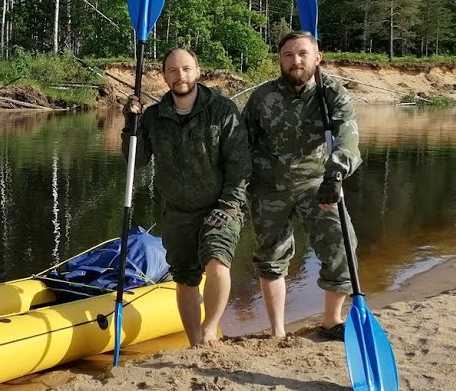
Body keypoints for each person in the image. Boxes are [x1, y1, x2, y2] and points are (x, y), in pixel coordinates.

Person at [122, 47, 251, 348]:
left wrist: (230, 204)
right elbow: (135, 162)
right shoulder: (154, 117)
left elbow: (240, 163)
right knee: (185, 277)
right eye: (173, 70)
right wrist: (132, 125)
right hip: (177, 212)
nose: (181, 76)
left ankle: (210, 329)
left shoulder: (222, 110)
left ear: (198, 71)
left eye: (186, 69)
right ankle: (195, 343)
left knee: (217, 260)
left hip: (220, 205)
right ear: (164, 76)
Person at [242, 30, 362, 341]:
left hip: (317, 183)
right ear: (279, 60)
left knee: (341, 244)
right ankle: (277, 331)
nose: (296, 61)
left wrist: (335, 175)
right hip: (268, 187)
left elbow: (348, 136)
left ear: (317, 58)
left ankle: (331, 321)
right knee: (270, 258)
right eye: (288, 55)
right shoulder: (261, 97)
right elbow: (241, 143)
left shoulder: (332, 94)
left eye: (302, 54)